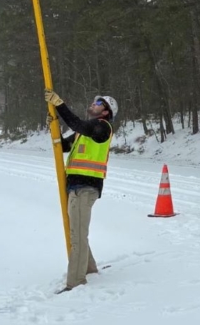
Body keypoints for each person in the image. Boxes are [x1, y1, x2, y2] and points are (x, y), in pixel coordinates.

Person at [44, 89, 117, 292]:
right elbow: (63, 146)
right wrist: (54, 126)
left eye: (99, 103)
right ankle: (90, 268)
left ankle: (75, 281)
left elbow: (78, 124)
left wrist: (60, 104)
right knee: (78, 232)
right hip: (75, 187)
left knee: (77, 236)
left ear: (105, 112)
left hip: (86, 188)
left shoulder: (102, 128)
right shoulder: (82, 132)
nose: (94, 104)